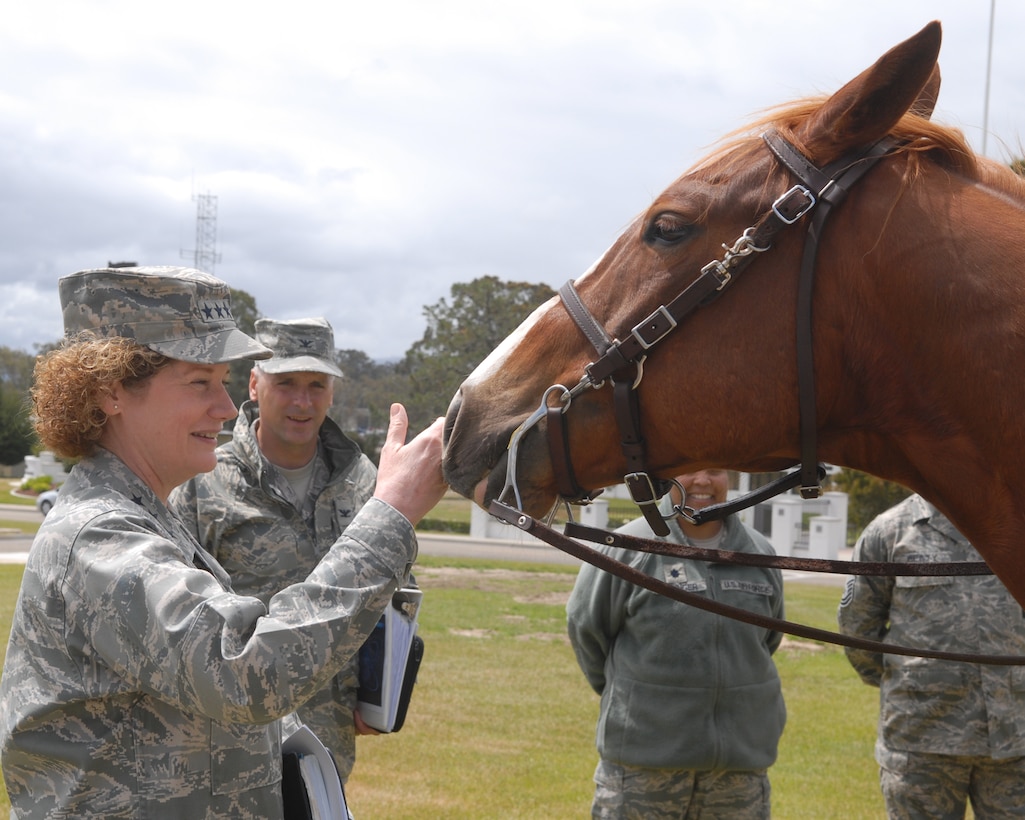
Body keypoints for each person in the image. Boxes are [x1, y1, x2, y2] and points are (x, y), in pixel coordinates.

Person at [0, 265, 447, 819]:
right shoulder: (100, 538)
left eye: (225, 382)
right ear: (110, 392)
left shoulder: (146, 517)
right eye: (200, 383)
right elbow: (242, 672)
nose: (228, 407)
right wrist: (393, 513)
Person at [171, 316, 379, 779]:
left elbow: (396, 590)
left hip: (327, 731)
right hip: (225, 733)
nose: (302, 401)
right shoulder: (201, 481)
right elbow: (175, 611)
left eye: (316, 384)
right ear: (253, 385)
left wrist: (380, 688)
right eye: (286, 383)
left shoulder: (363, 481)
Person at [566, 469, 786, 819]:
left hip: (736, 774)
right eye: (689, 467)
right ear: (667, 475)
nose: (702, 481)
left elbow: (766, 642)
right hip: (644, 772)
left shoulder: (760, 555)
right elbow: (586, 629)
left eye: (714, 469)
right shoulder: (626, 549)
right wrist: (626, 694)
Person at [838, 493, 1025, 819]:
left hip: (1015, 740)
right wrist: (911, 685)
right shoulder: (890, 532)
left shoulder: (1016, 525)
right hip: (921, 743)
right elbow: (858, 629)